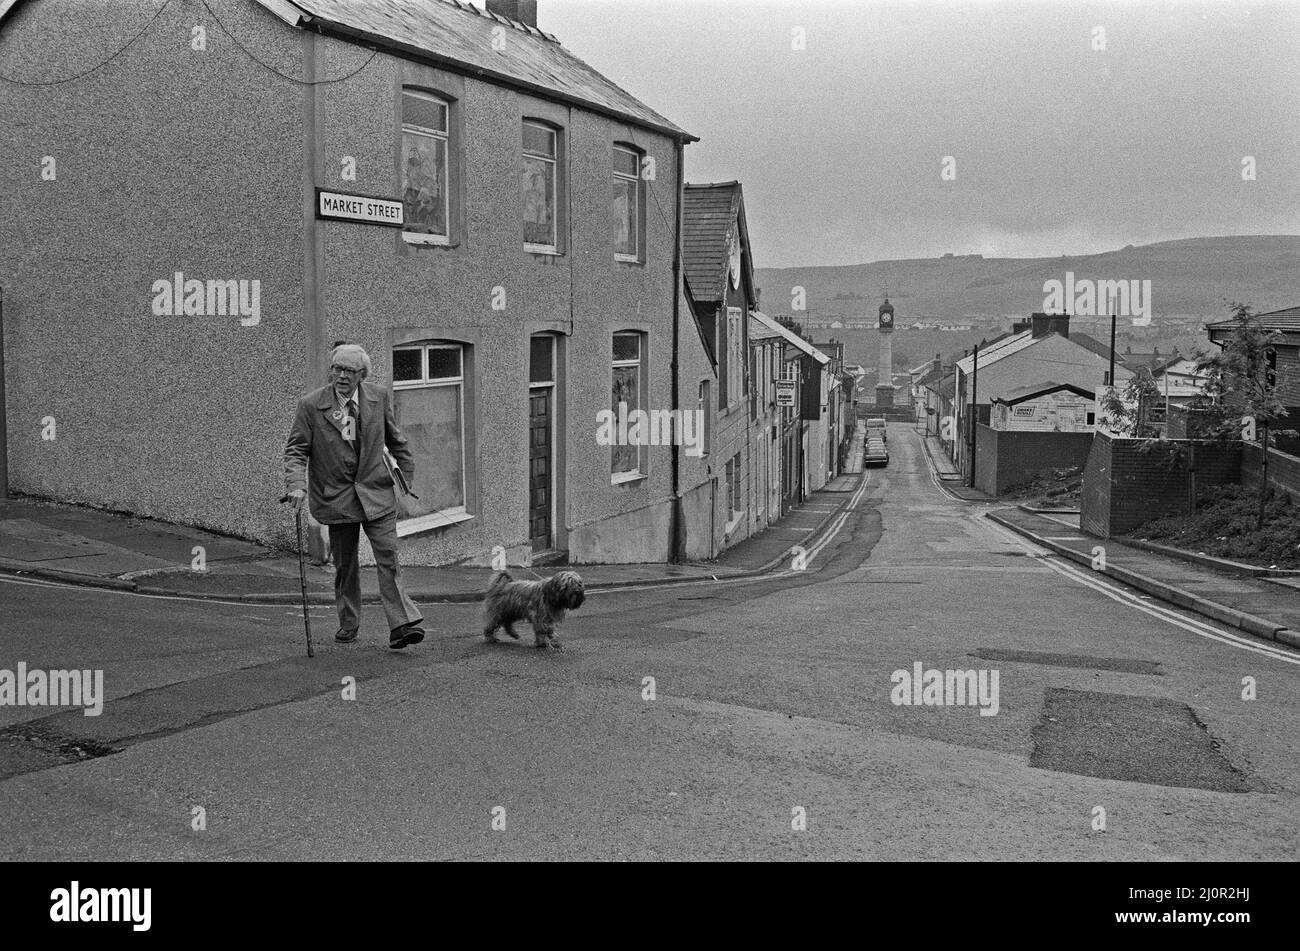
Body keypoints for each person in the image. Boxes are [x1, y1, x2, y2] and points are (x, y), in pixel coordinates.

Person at [283, 344, 426, 649]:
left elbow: (396, 440)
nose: (341, 375)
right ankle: (349, 622)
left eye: (348, 370)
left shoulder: (378, 396)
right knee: (345, 565)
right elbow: (296, 450)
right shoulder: (311, 405)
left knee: (388, 559)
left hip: (377, 493)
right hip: (337, 497)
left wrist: (405, 479)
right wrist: (297, 484)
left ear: (362, 374)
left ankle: (401, 625)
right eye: (336, 368)